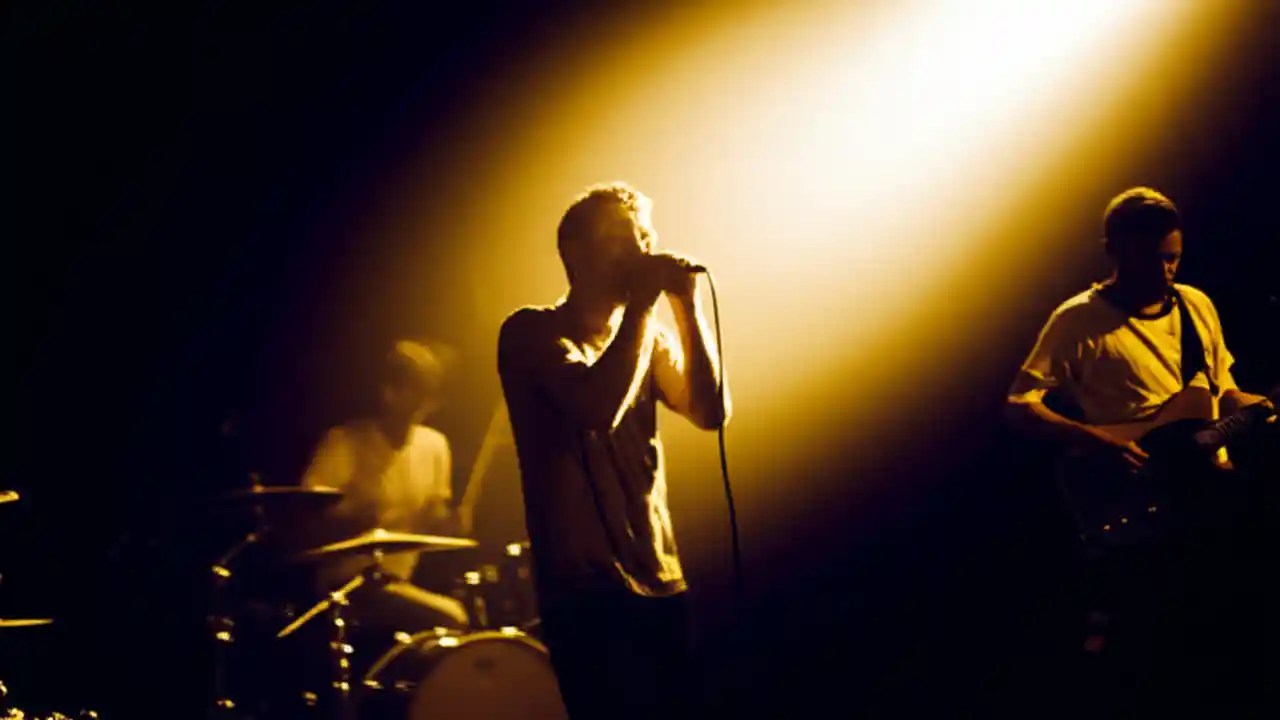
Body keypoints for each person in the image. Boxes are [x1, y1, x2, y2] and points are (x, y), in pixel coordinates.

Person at [1004, 187, 1272, 713]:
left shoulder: (1196, 306)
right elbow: (1019, 405)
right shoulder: (1077, 320)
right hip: (1138, 497)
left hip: (1209, 493)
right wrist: (1093, 439)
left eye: (1173, 257)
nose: (1166, 269)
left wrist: (1258, 405)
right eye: (1153, 259)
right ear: (1115, 251)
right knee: (1149, 657)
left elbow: (1222, 389)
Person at [497, 181, 730, 719]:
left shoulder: (648, 336)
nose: (642, 252)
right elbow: (598, 408)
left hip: (661, 577)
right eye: (622, 241)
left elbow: (711, 412)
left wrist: (687, 310)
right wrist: (646, 307)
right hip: (585, 592)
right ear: (574, 252)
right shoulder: (532, 333)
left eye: (644, 237)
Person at [300, 339, 470, 635]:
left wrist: (452, 523)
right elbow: (305, 518)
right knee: (453, 618)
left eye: (429, 392)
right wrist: (350, 518)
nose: (424, 402)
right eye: (415, 390)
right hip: (348, 584)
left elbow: (434, 516)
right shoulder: (344, 442)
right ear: (389, 392)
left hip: (400, 581)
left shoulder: (435, 446)